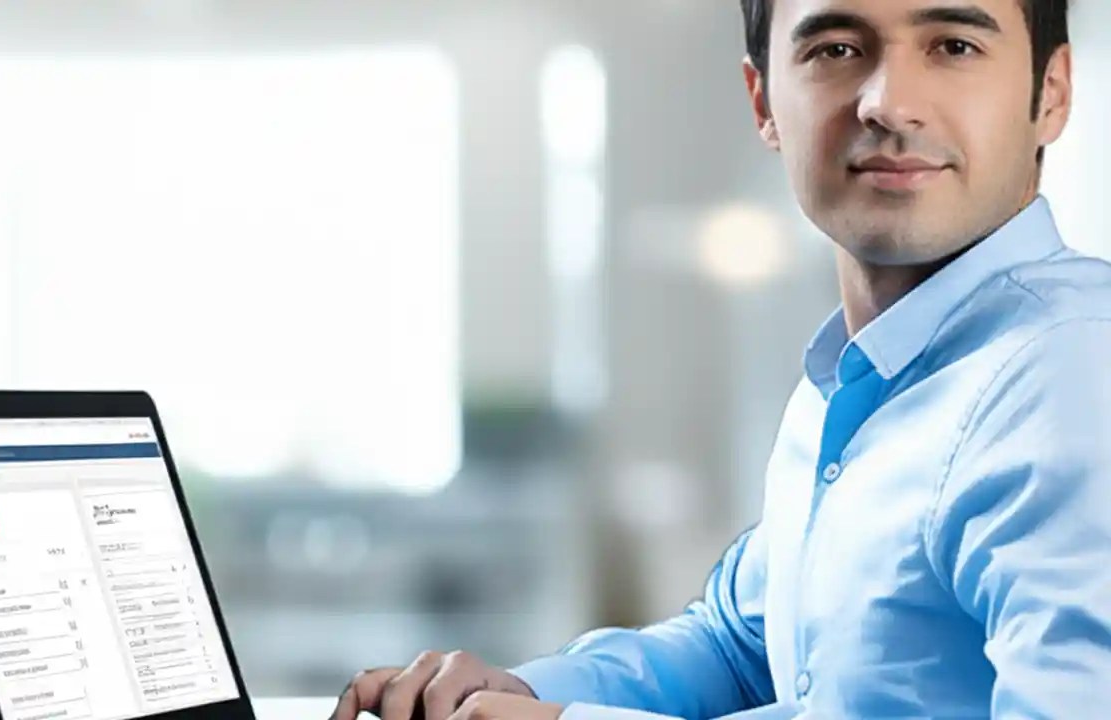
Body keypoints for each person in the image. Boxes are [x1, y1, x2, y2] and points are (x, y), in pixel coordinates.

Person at [330, 0, 1111, 717]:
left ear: (1051, 93)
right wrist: (518, 691)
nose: (887, 103)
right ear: (765, 101)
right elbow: (743, 646)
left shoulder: (1070, 370)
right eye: (837, 48)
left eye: (953, 44)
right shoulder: (856, 378)